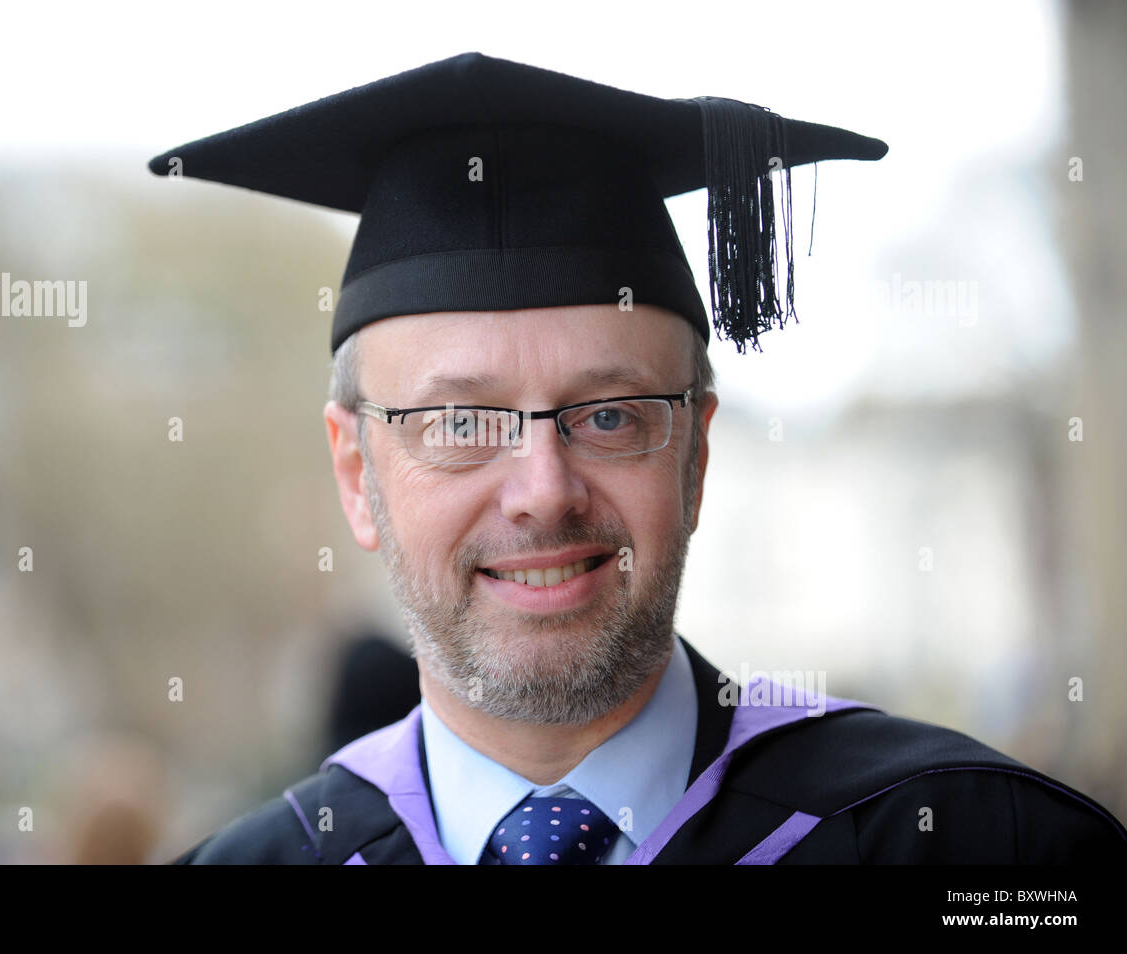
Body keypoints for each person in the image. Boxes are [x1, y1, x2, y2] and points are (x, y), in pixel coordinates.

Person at [151, 52, 1127, 864]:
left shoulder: (979, 850)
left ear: (696, 457)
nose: (542, 491)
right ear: (359, 477)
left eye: (609, 415)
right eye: (460, 424)